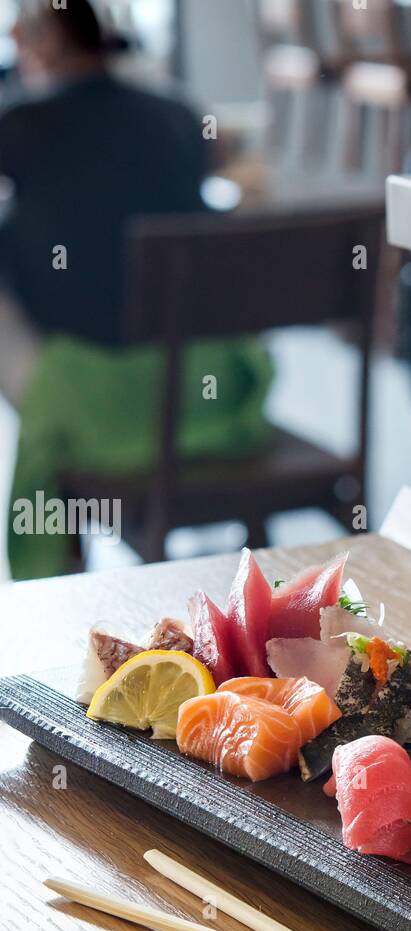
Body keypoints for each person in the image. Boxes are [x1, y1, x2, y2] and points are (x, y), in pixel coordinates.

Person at [0, 0, 273, 579]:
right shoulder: (177, 114)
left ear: (44, 43)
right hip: (211, 384)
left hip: (93, 388)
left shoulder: (19, 125)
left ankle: (59, 551)